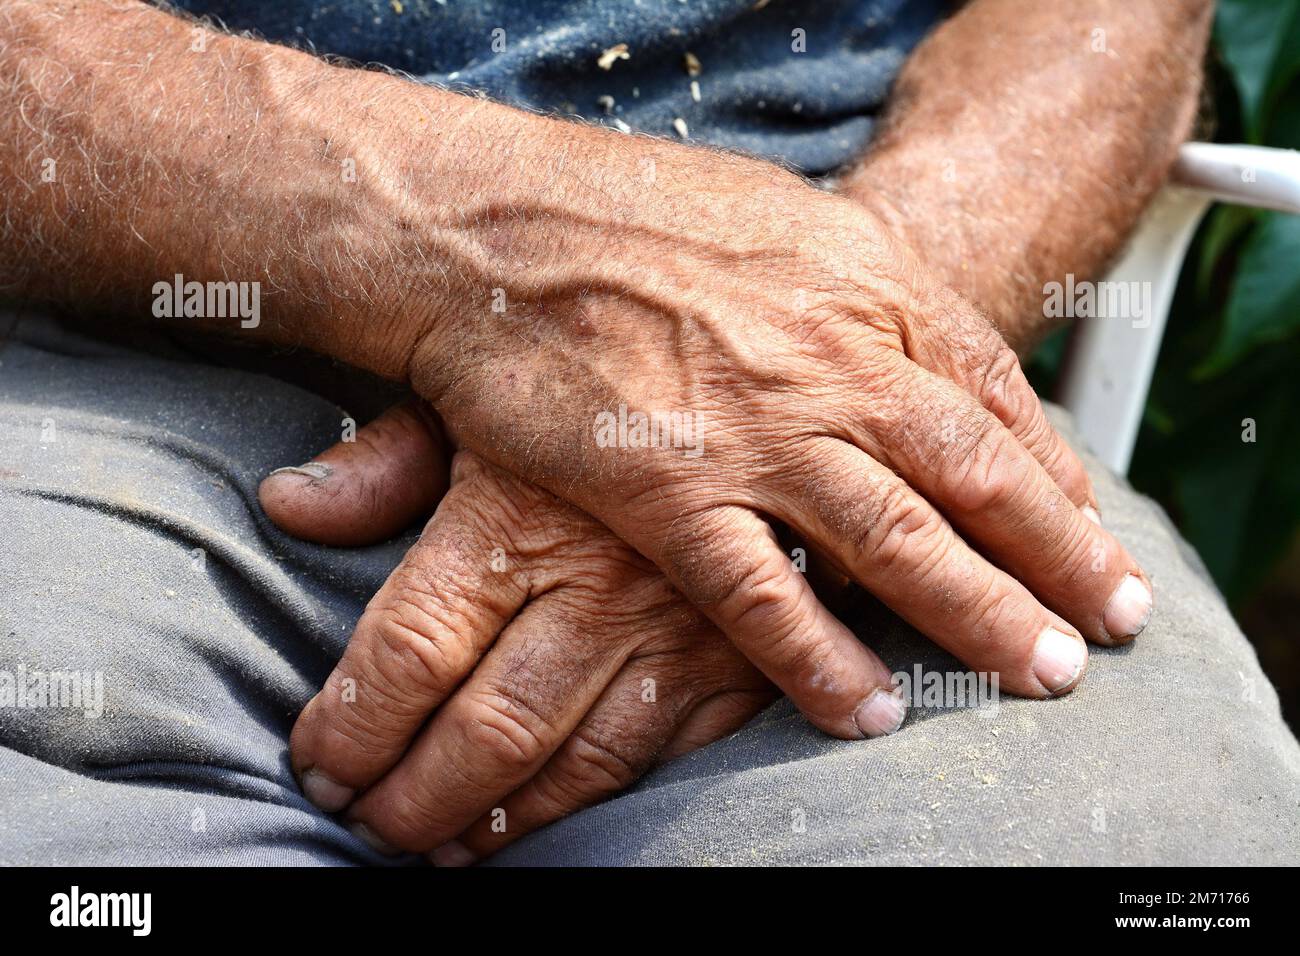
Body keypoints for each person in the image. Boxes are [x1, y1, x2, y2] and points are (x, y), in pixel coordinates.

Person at [1, 0, 1296, 866]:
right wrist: (507, 260)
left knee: (1154, 845)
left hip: (858, 334)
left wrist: (803, 354)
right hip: (104, 363)